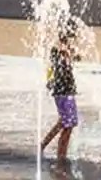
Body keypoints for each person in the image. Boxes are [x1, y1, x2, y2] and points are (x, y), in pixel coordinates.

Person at [40, 17, 80, 160]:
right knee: (68, 124)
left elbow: (76, 58)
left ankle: (44, 145)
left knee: (65, 121)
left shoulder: (65, 48)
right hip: (63, 90)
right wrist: (67, 54)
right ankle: (61, 155)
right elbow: (57, 65)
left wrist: (71, 53)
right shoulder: (58, 49)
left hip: (65, 89)